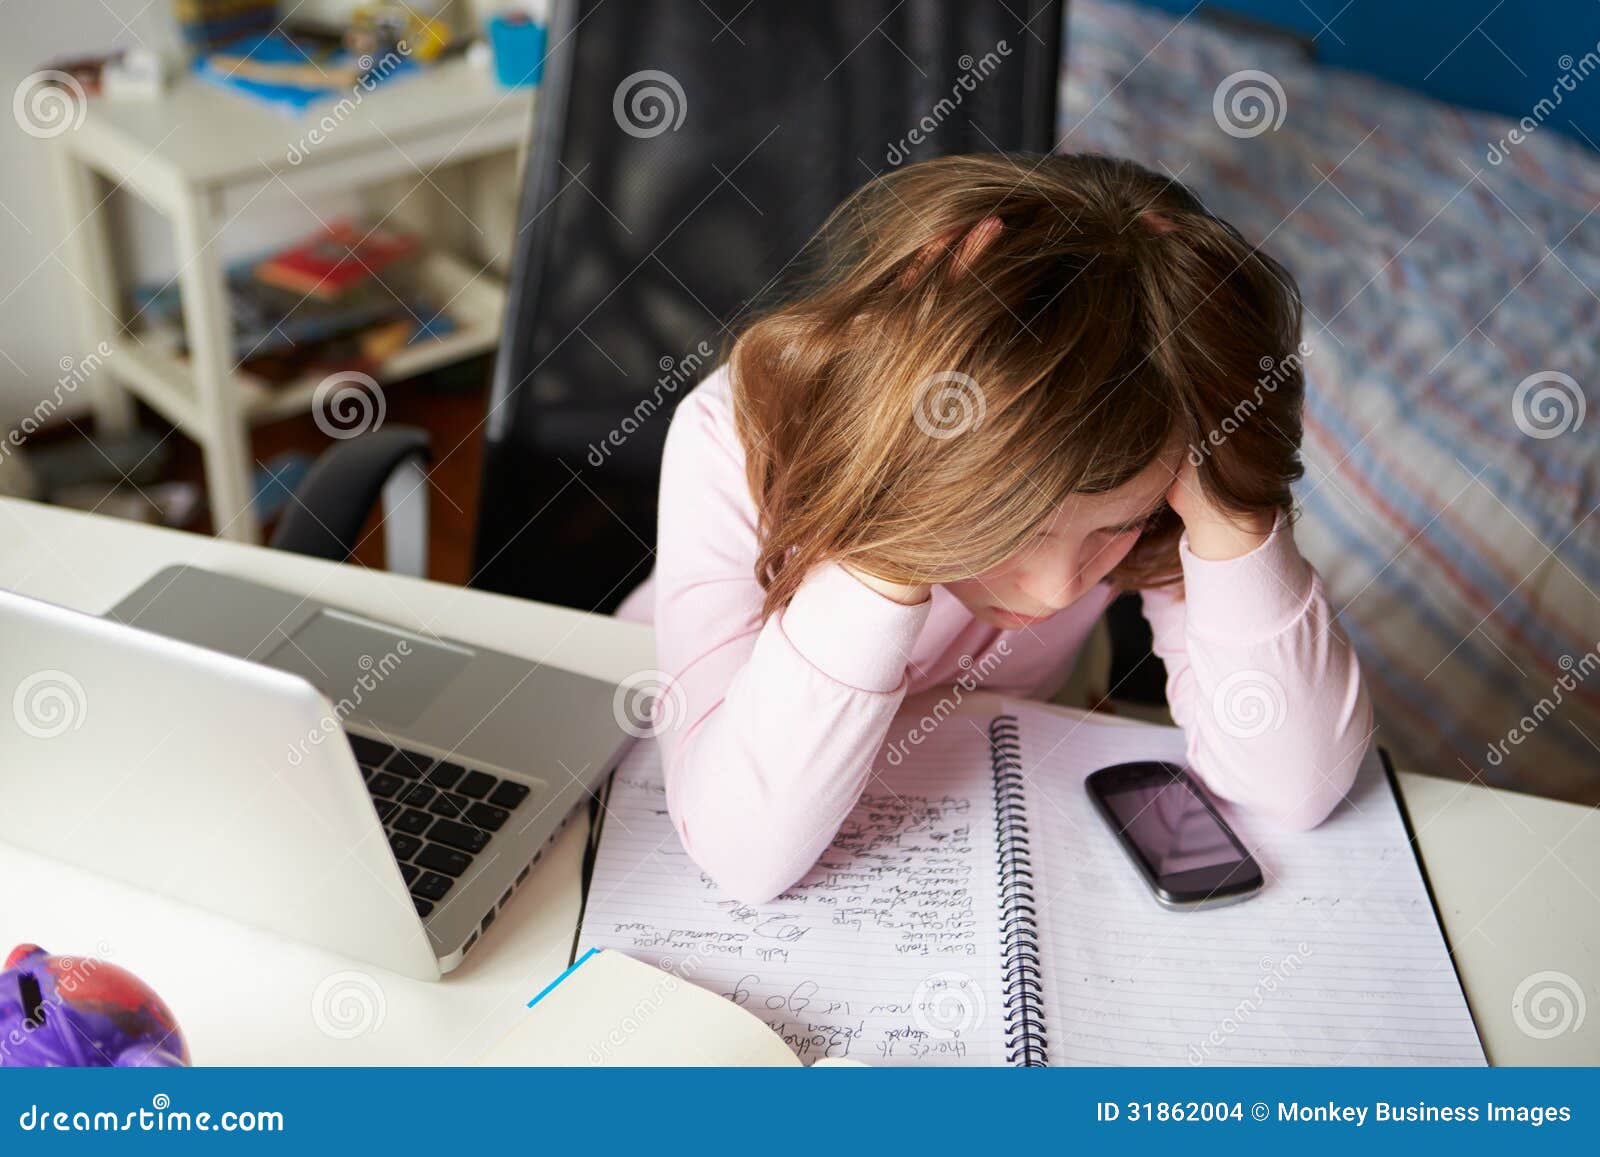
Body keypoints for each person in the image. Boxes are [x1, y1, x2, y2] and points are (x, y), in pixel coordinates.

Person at [616, 153, 1372, 904]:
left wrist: (1229, 506)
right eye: (1015, 529)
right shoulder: (730, 435)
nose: (1056, 590)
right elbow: (743, 854)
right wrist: (903, 497)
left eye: (1118, 525)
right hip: (668, 742)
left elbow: (1295, 787)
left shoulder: (1156, 447)